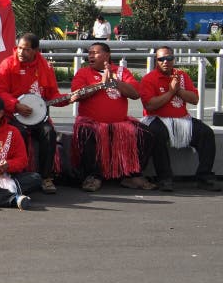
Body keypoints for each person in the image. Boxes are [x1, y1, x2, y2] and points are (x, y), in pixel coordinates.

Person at [71, 43, 161, 192]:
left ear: (107, 55)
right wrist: (101, 84)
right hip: (91, 123)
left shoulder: (121, 71)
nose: (90, 56)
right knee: (86, 132)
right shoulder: (83, 72)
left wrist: (115, 82)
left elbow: (135, 94)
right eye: (89, 53)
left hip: (120, 123)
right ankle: (93, 176)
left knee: (146, 134)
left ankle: (132, 175)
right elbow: (77, 94)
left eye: (95, 53)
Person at [139, 46, 220, 191]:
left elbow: (194, 99)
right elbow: (150, 105)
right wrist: (171, 91)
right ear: (156, 61)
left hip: (183, 119)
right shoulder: (149, 78)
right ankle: (165, 178)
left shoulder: (182, 75)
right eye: (161, 59)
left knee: (206, 133)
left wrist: (178, 90)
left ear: (174, 59)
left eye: (169, 58)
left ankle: (204, 176)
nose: (165, 62)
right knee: (156, 134)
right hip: (157, 118)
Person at [0, 33, 61, 194]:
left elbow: (53, 95)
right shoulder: (7, 64)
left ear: (36, 51)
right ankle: (19, 175)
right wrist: (16, 105)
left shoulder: (45, 67)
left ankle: (46, 177)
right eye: (19, 48)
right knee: (19, 132)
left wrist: (68, 99)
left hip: (39, 118)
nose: (21, 52)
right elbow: (0, 92)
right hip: (13, 115)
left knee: (49, 132)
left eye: (26, 49)